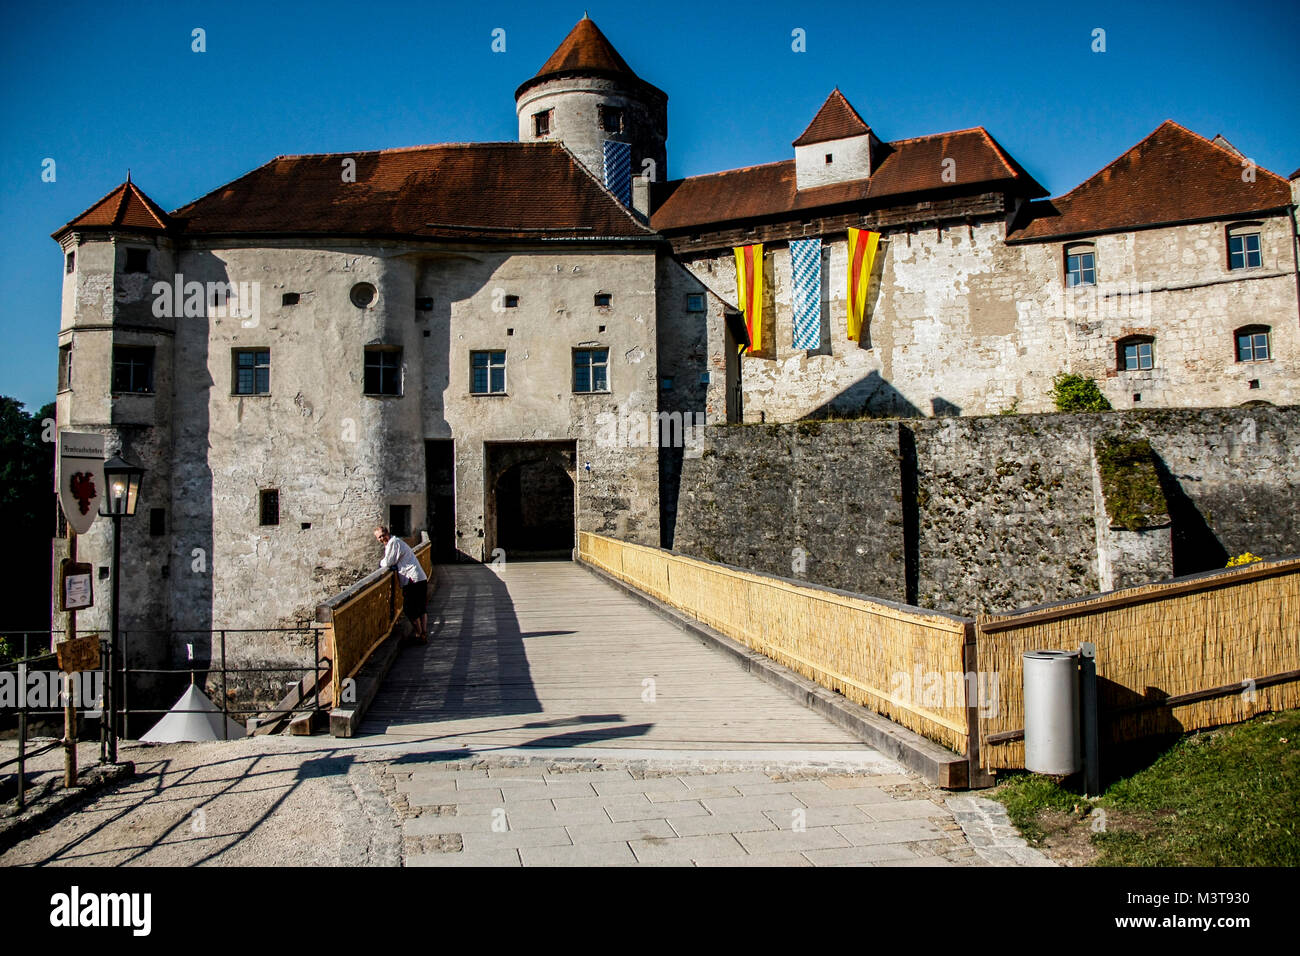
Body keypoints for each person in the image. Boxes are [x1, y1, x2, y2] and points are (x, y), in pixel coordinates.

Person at [374, 526, 428, 642]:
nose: (382, 538)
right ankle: (423, 633)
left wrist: (380, 562)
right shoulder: (395, 542)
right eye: (379, 537)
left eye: (383, 535)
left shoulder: (394, 543)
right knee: (421, 607)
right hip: (420, 577)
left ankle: (420, 633)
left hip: (412, 579)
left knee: (410, 609)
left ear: (387, 533)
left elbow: (388, 562)